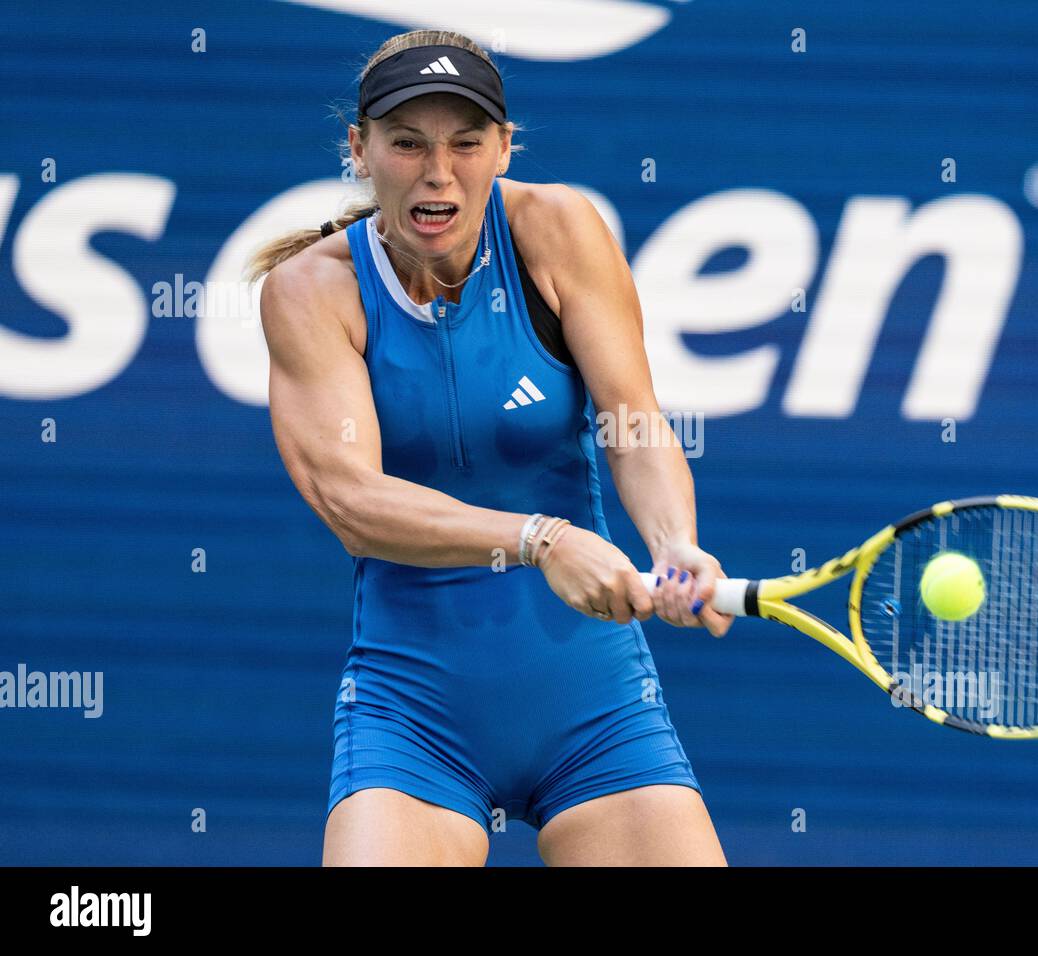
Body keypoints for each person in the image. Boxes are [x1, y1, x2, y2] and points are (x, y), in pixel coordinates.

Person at [246, 28, 733, 866]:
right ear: (360, 151)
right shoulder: (310, 292)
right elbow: (354, 504)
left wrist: (672, 542)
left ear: (504, 149)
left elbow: (634, 420)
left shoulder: (559, 228)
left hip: (597, 708)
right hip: (412, 718)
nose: (439, 173)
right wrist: (540, 540)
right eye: (408, 144)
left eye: (466, 143)